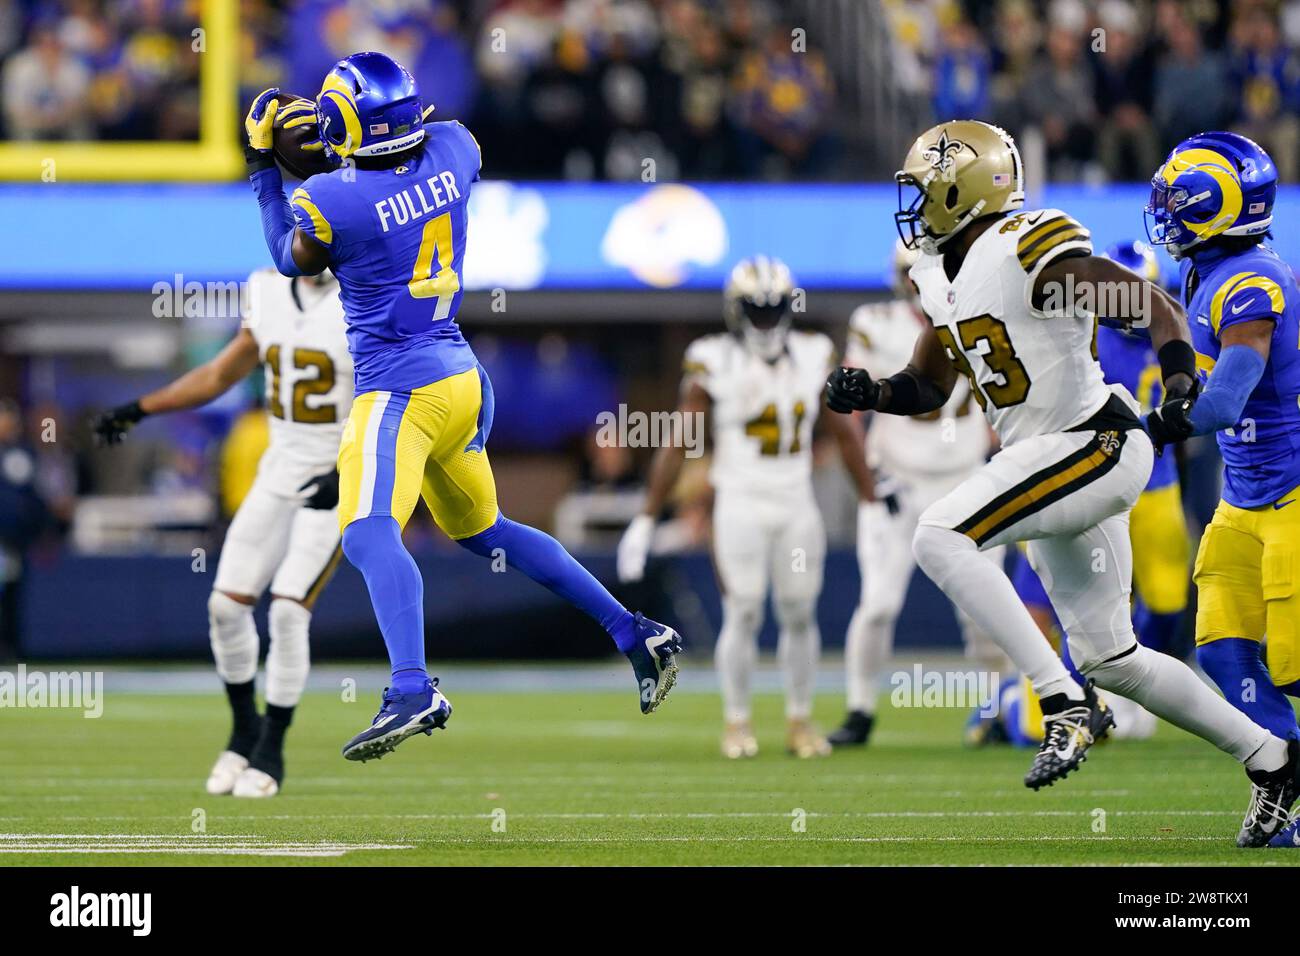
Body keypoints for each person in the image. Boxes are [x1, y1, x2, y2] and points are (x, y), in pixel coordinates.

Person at [825, 119, 1297, 847]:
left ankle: (1063, 702)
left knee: (940, 534)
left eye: (926, 190)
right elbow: (930, 383)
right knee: (1115, 658)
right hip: (1051, 459)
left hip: (1093, 441)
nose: (916, 206)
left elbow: (1150, 305)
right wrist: (874, 393)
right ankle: (1273, 761)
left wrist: (1176, 384)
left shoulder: (1026, 245)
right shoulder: (936, 271)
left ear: (963, 189)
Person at [242, 52, 681, 762]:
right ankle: (635, 631)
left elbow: (289, 256)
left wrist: (262, 164)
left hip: (399, 391)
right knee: (487, 531)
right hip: (462, 381)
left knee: (366, 533)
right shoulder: (455, 147)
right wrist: (330, 132)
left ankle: (413, 686)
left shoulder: (334, 199)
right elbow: (382, 153)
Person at [94, 269, 349, 797]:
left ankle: (271, 749)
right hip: (279, 472)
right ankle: (243, 732)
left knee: (286, 609)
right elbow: (217, 376)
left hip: (338, 478)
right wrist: (140, 408)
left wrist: (348, 469)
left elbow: (392, 393)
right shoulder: (268, 289)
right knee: (225, 607)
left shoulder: (365, 292)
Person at [618, 256, 873, 759]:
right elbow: (681, 439)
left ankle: (799, 720)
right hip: (738, 501)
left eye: (772, 308)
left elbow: (843, 432)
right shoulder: (713, 358)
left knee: (800, 611)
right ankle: (737, 723)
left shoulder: (814, 351)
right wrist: (648, 516)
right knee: (745, 610)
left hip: (797, 501)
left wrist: (869, 500)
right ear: (736, 312)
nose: (764, 319)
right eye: (755, 310)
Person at [1144, 131, 1300, 846]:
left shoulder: (1250, 279)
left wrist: (1144, 425)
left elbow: (1227, 398)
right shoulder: (1205, 270)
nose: (1166, 211)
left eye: (1178, 199)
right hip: (1245, 494)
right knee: (1222, 648)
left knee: (1296, 661)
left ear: (1216, 205)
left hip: (1294, 490)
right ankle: (1285, 773)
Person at [828, 240, 1007, 747]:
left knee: (984, 608)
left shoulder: (979, 310)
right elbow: (856, 406)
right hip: (899, 480)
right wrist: (868, 481)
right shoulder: (875, 322)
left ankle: (995, 709)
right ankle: (860, 709)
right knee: (879, 603)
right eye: (914, 273)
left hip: (967, 478)